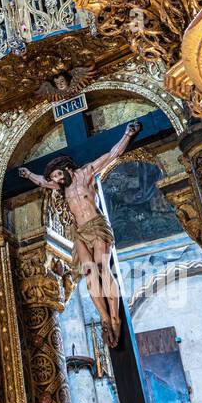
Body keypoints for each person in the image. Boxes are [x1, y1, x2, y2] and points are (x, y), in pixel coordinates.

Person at [19, 120, 141, 347]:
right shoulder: (60, 187)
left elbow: (112, 154)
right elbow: (41, 181)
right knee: (89, 274)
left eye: (57, 175)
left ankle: (115, 316)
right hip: (80, 232)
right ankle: (104, 318)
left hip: (96, 225)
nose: (56, 180)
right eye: (54, 178)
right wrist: (28, 175)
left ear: (66, 168)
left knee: (103, 269)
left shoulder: (86, 174)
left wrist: (127, 134)